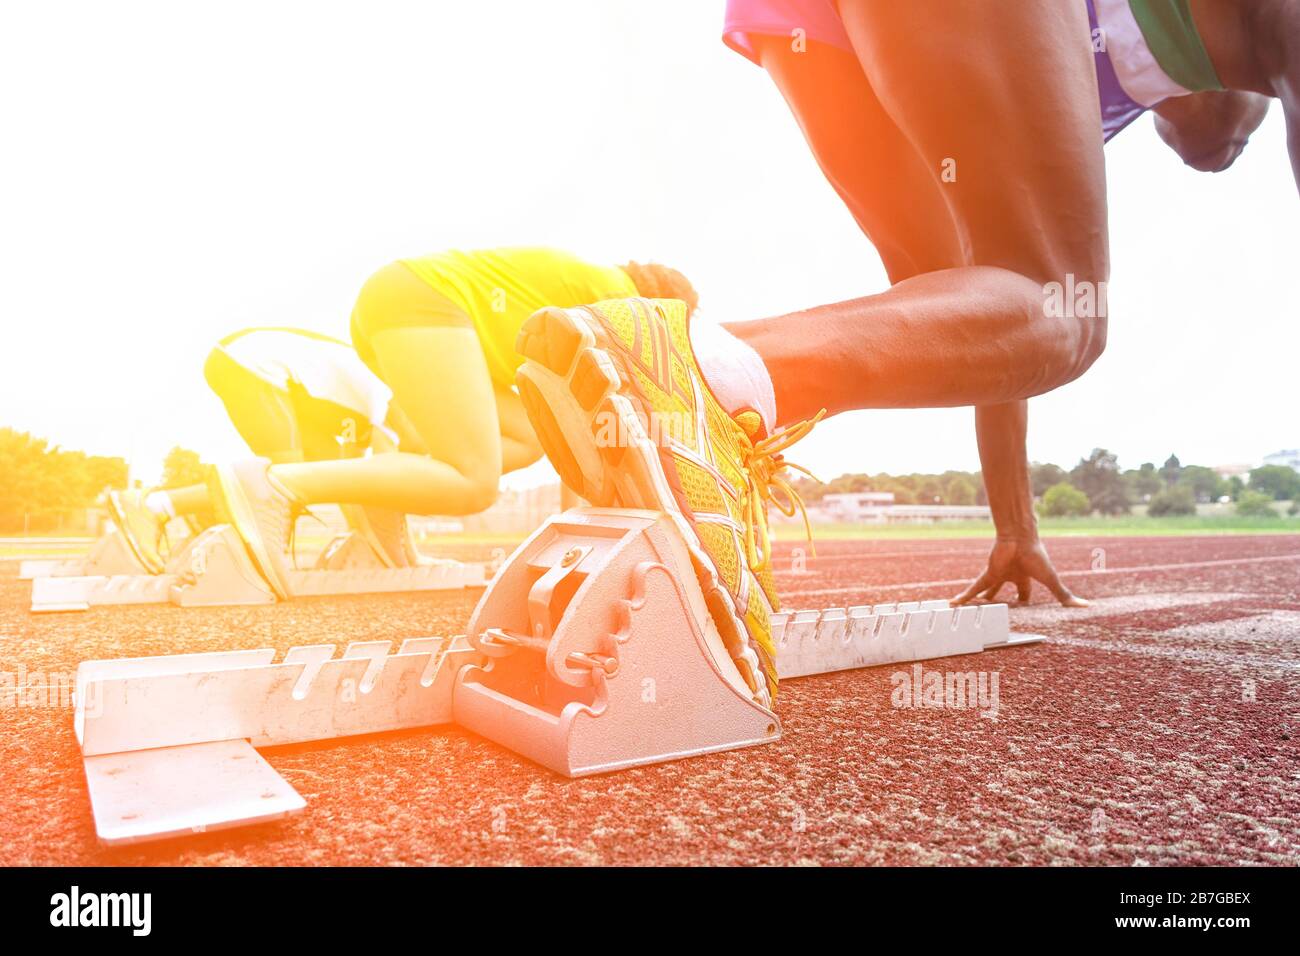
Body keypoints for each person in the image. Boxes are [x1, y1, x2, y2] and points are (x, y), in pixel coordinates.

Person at [509, 0, 1300, 707]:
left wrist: (1016, 528)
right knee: (1065, 311)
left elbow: (978, 334)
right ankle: (709, 374)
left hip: (807, 25)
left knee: (977, 302)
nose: (1226, 143)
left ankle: (699, 392)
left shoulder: (1074, 79)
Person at [197, 247, 701, 601]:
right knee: (472, 483)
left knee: (526, 438)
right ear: (660, 307)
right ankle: (275, 486)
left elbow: (572, 436)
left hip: (404, 307)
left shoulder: (585, 287)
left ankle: (380, 498)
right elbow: (606, 432)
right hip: (422, 303)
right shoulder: (615, 300)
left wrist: (578, 539)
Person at [107, 327, 425, 573]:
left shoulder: (366, 412)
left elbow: (355, 490)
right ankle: (153, 505)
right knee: (283, 487)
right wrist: (406, 562)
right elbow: (384, 489)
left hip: (262, 365)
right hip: (255, 362)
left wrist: (401, 556)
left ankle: (204, 513)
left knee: (311, 481)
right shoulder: (397, 404)